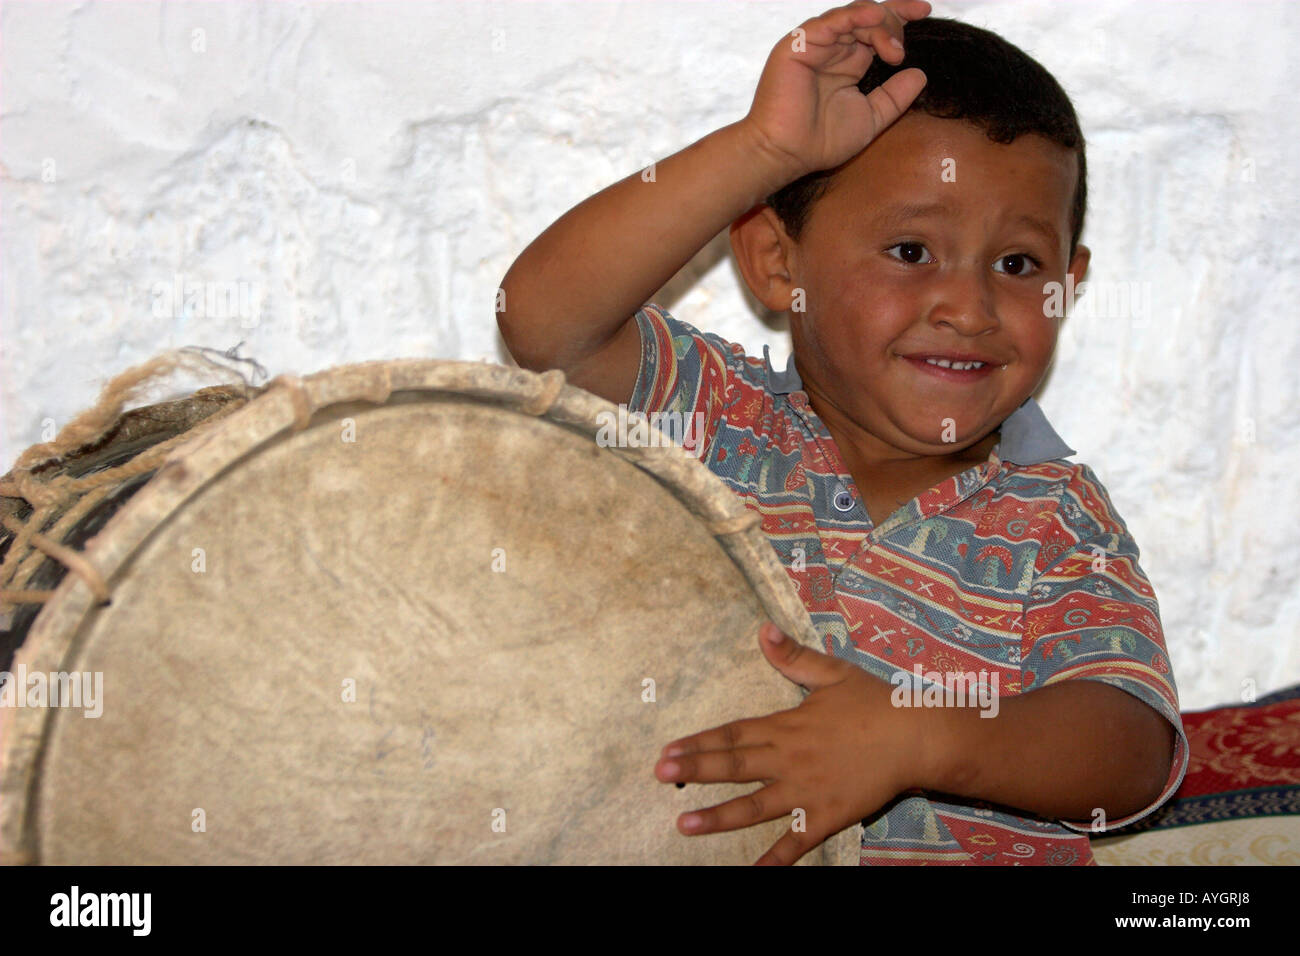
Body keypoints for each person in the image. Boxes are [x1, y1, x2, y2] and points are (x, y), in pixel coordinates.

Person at [497, 0, 1188, 865]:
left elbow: (1130, 751)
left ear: (1067, 285)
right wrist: (766, 150)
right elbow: (543, 320)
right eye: (910, 251)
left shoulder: (1054, 515)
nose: (969, 308)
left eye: (1018, 265)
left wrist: (920, 737)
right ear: (777, 263)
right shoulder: (714, 422)